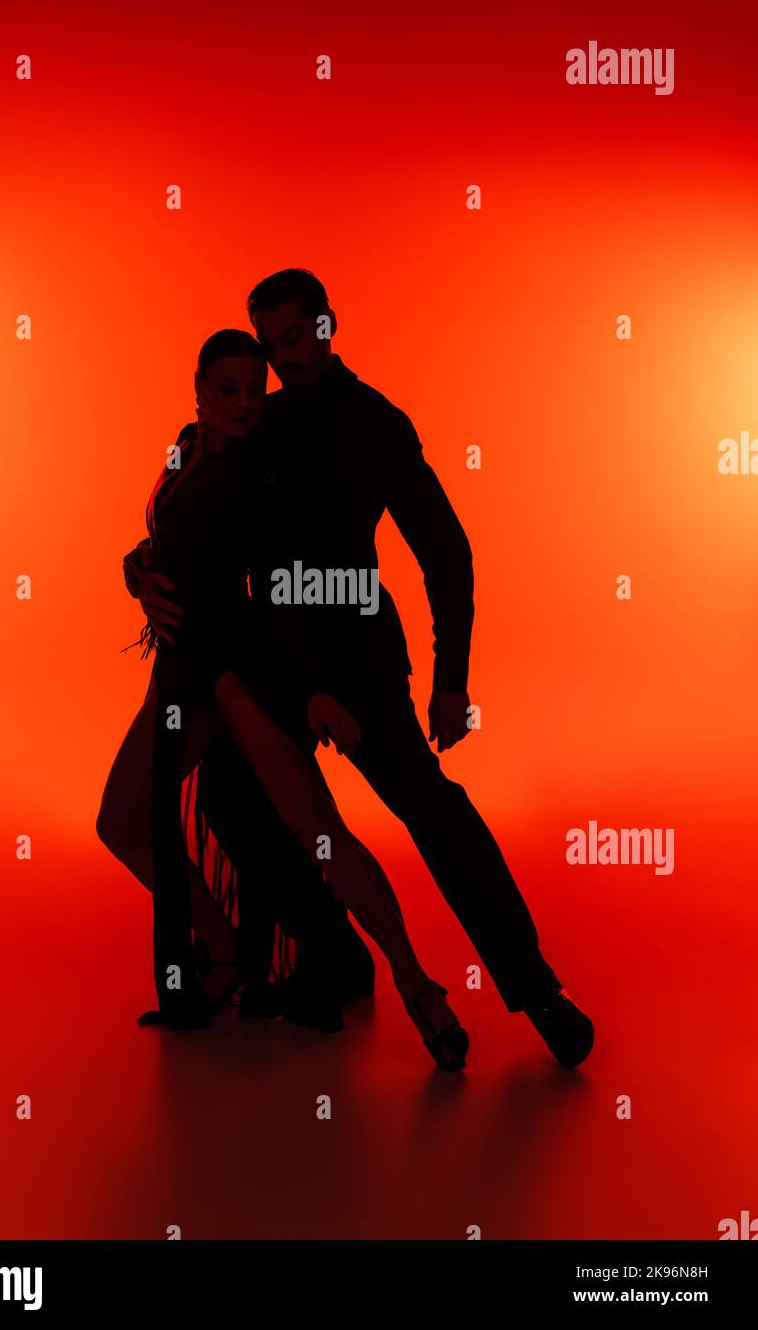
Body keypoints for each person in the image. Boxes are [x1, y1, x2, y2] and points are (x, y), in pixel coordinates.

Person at [135, 273, 594, 1069]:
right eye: (270, 344)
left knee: (429, 807)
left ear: (326, 324)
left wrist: (452, 677)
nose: (284, 357)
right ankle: (331, 950)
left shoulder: (376, 423)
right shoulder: (259, 420)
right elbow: (185, 490)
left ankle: (536, 989)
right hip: (271, 657)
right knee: (231, 802)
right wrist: (138, 563)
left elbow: (444, 550)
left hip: (354, 660)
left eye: (294, 337)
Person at [97, 328, 471, 1071]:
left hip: (239, 665)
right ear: (198, 386)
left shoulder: (255, 468)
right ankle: (227, 956)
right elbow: (157, 533)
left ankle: (416, 982)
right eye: (226, 388)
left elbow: (278, 582)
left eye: (253, 389)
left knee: (320, 834)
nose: (242, 403)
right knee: (121, 821)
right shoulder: (181, 447)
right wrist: (135, 568)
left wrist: (315, 686)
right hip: (178, 664)